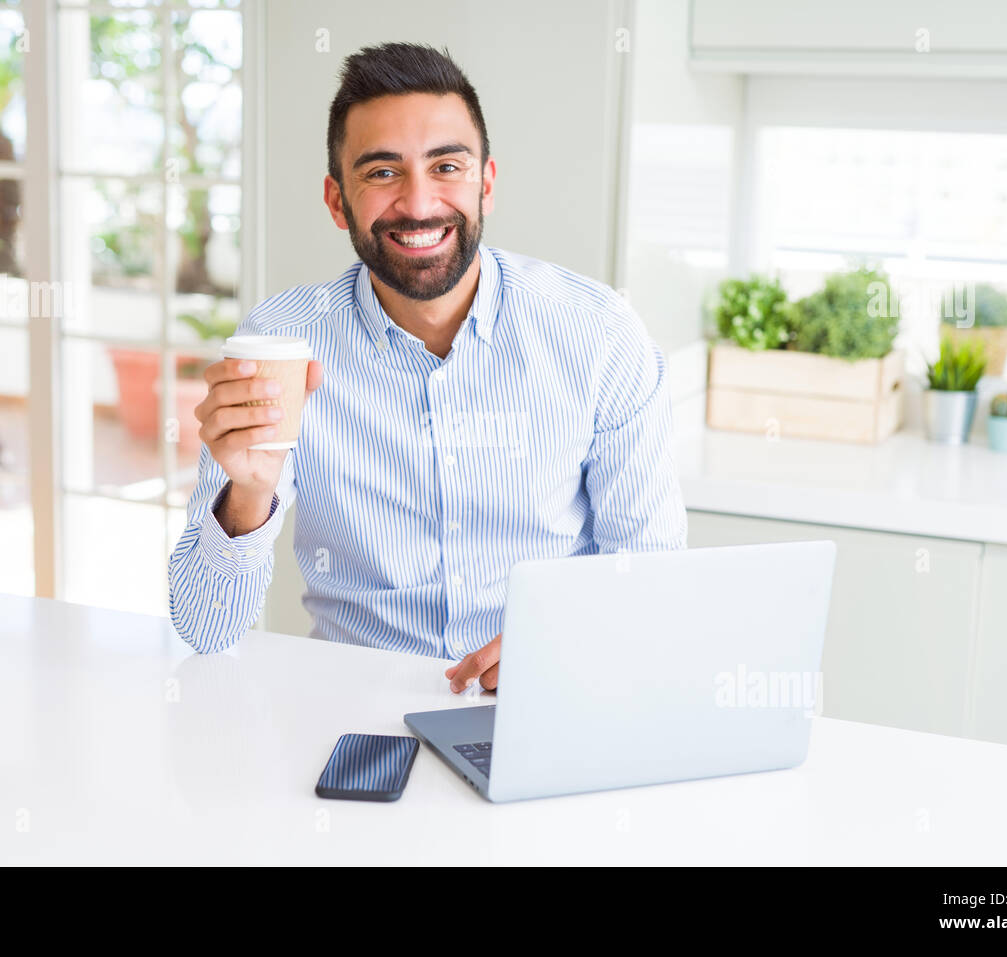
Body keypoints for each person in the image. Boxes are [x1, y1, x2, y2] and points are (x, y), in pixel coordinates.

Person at [168, 42, 686, 691]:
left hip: (548, 695)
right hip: (350, 713)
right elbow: (204, 628)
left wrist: (569, 643)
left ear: (485, 183)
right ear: (337, 201)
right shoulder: (281, 343)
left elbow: (651, 579)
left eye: (446, 166)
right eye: (382, 173)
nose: (418, 203)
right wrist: (247, 496)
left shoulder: (599, 334)